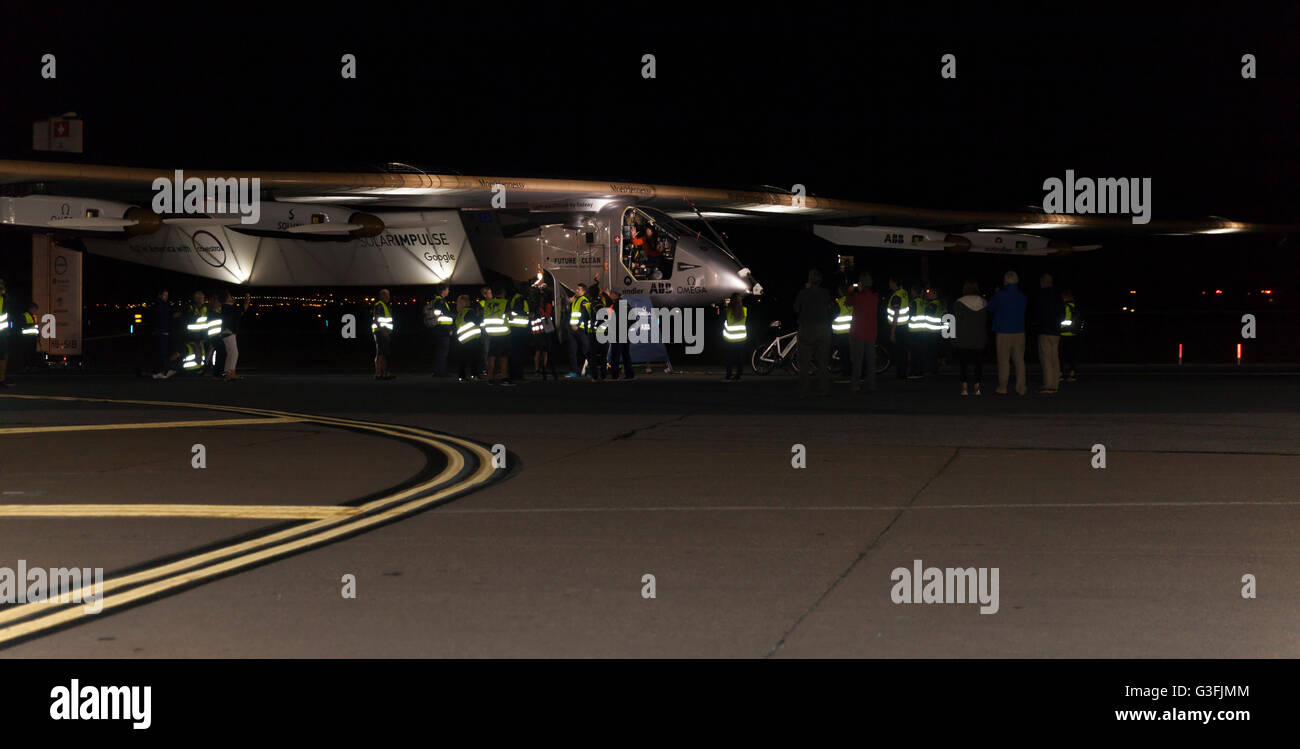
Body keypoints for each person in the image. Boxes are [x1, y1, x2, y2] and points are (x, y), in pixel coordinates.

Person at [793, 268, 833, 397]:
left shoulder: (802, 294)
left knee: (804, 363)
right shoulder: (826, 293)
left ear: (809, 280)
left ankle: (803, 391)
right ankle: (824, 389)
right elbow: (831, 309)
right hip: (823, 330)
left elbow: (796, 309)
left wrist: (807, 290)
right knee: (823, 362)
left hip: (806, 330)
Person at [987, 270, 1027, 395]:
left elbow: (990, 307)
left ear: (1005, 281)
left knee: (1004, 361)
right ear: (1017, 281)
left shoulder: (1000, 296)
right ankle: (1021, 387)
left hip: (1003, 331)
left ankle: (1002, 387)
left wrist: (996, 294)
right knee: (1019, 360)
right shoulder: (1022, 296)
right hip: (1019, 331)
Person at [953, 281, 988, 396]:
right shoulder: (983, 302)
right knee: (977, 363)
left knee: (963, 363)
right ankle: (977, 387)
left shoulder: (959, 302)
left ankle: (964, 387)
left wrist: (953, 337)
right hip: (978, 337)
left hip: (963, 337)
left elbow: (956, 322)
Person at [846, 273, 879, 393]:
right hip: (871, 332)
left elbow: (848, 303)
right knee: (871, 360)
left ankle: (856, 384)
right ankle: (872, 384)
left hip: (858, 333)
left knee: (857, 360)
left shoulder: (857, 297)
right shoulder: (875, 296)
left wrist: (850, 292)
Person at [1036, 273, 1064, 394]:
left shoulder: (1041, 295)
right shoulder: (1057, 295)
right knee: (1055, 357)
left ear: (1042, 282)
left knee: (1046, 358)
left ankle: (1048, 385)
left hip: (1045, 330)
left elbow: (1038, 312)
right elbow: (1062, 312)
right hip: (1056, 330)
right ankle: (1055, 384)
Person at [481, 284, 511, 385]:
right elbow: (510, 316)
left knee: (491, 355)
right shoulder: (505, 302)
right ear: (503, 293)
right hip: (503, 332)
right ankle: (504, 377)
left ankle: (490, 378)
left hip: (491, 333)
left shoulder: (488, 303)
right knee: (503, 356)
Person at [218, 290, 250, 381]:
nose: (232, 297)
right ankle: (231, 372)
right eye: (230, 296)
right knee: (234, 353)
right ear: (226, 299)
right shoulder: (228, 307)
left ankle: (228, 373)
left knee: (231, 353)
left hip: (225, 332)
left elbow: (240, 311)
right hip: (229, 332)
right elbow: (243, 309)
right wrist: (247, 299)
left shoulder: (226, 307)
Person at [453, 294, 483, 381]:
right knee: (474, 358)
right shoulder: (469, 311)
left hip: (462, 339)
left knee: (463, 358)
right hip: (471, 338)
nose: (470, 301)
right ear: (465, 302)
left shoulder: (460, 313)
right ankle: (474, 374)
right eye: (468, 300)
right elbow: (477, 321)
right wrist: (481, 314)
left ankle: (461, 376)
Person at [885, 277, 911, 380]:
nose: (889, 284)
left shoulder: (896, 296)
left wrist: (892, 332)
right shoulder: (904, 292)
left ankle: (900, 374)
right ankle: (903, 373)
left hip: (898, 327)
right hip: (904, 326)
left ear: (894, 283)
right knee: (903, 351)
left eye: (890, 282)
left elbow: (896, 314)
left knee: (899, 352)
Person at [565, 283, 592, 379]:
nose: (576, 290)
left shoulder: (584, 300)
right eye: (576, 289)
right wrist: (570, 303)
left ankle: (590, 371)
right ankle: (573, 372)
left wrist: (577, 325)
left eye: (579, 289)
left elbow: (585, 314)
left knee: (586, 350)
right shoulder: (575, 300)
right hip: (572, 329)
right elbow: (571, 314)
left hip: (580, 329)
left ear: (583, 291)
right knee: (572, 351)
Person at [530, 291, 559, 380]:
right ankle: (537, 369)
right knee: (538, 351)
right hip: (539, 332)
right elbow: (533, 317)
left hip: (546, 331)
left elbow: (548, 316)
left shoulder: (547, 306)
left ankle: (544, 369)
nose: (542, 299)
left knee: (545, 351)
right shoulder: (536, 307)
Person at [607, 290, 635, 380]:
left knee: (615, 355)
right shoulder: (626, 304)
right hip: (625, 333)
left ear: (616, 295)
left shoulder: (615, 305)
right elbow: (634, 318)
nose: (610, 295)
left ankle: (615, 375)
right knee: (626, 354)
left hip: (617, 333)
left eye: (611, 293)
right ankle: (629, 375)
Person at [427, 285, 454, 377]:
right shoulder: (440, 302)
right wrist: (449, 328)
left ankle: (437, 371)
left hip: (438, 329)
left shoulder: (436, 301)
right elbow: (446, 315)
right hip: (443, 330)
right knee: (443, 352)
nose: (448, 291)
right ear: (443, 291)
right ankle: (441, 372)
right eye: (447, 289)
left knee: (439, 352)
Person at [506, 283, 531, 382]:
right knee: (519, 354)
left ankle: (513, 374)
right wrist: (528, 315)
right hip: (519, 330)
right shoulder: (520, 298)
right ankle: (518, 375)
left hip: (515, 329)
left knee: (514, 353)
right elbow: (520, 311)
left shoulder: (515, 298)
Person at [722, 291, 748, 381]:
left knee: (729, 357)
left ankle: (728, 374)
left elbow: (727, 320)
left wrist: (726, 306)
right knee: (739, 357)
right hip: (741, 337)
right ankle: (738, 375)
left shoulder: (728, 310)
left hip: (730, 338)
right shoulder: (744, 309)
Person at [372, 288, 395, 380]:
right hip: (380, 332)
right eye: (386, 295)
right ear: (382, 296)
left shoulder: (385, 305)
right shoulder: (379, 305)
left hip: (384, 332)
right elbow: (377, 319)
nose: (388, 297)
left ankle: (385, 374)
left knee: (384, 353)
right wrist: (383, 331)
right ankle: (378, 374)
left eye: (388, 295)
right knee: (381, 353)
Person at [832, 286, 853, 379]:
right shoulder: (852, 301)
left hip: (840, 332)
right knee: (849, 353)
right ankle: (850, 371)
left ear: (840, 291)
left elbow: (832, 315)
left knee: (843, 354)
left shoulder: (839, 302)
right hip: (851, 331)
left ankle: (846, 372)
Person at [588, 284, 608, 381]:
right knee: (603, 355)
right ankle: (603, 375)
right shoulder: (603, 303)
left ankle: (594, 376)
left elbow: (586, 318)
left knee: (593, 355)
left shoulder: (589, 304)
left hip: (593, 332)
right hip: (604, 331)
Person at [151, 289, 172, 376]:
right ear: (160, 295)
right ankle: (163, 371)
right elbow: (162, 318)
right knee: (162, 352)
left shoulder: (161, 304)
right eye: (164, 295)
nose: (166, 297)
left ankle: (158, 371)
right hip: (161, 332)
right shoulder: (161, 305)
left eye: (167, 295)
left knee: (160, 352)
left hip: (160, 331)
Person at [1060, 289, 1080, 381]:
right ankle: (1072, 373)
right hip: (1073, 333)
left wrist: (1059, 327)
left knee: (1061, 355)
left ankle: (1060, 373)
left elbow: (1065, 320)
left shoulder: (1066, 307)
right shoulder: (1074, 306)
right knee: (1071, 354)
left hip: (1064, 333)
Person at [18, 303, 39, 373]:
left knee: (32, 352)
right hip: (26, 338)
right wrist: (32, 324)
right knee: (27, 352)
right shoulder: (24, 315)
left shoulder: (34, 316)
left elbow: (35, 327)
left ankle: (31, 366)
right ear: (31, 308)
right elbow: (22, 325)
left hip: (33, 337)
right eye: (35, 309)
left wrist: (38, 335)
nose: (35, 311)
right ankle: (26, 366)